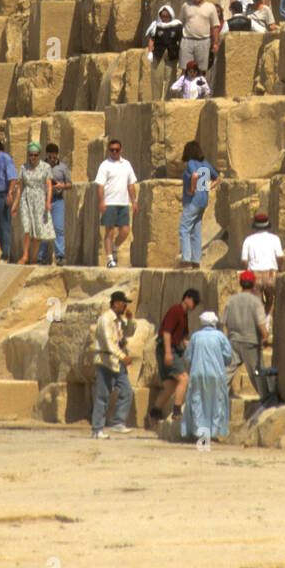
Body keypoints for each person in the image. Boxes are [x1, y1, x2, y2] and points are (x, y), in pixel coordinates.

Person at [147, 288, 201, 427]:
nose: (194, 307)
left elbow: (184, 337)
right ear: (187, 298)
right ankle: (177, 412)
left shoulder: (184, 315)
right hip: (167, 348)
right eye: (194, 302)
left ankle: (154, 412)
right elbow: (166, 332)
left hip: (172, 349)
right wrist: (168, 353)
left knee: (170, 386)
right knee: (184, 378)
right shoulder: (175, 311)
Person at [181, 311, 233, 442]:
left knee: (197, 400)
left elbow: (188, 356)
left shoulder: (195, 336)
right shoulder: (220, 336)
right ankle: (214, 432)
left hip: (197, 372)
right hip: (216, 373)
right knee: (216, 400)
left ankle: (199, 432)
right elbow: (228, 356)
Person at [91, 290, 135, 438]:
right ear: (116, 303)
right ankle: (97, 429)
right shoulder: (106, 319)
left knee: (127, 391)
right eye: (124, 304)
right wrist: (122, 356)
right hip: (106, 361)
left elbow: (128, 334)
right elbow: (109, 343)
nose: (125, 307)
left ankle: (117, 422)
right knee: (102, 395)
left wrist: (130, 321)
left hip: (117, 362)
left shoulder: (118, 320)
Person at [222, 271, 268, 396]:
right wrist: (265, 336)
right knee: (257, 373)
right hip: (251, 342)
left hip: (234, 341)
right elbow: (261, 322)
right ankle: (266, 399)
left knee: (226, 373)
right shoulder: (255, 301)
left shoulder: (231, 301)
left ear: (240, 284)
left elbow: (224, 321)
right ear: (253, 284)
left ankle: (218, 398)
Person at [95, 139, 138, 270]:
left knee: (125, 231)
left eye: (117, 150)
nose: (114, 152)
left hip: (123, 202)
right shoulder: (105, 165)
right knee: (110, 231)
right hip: (109, 202)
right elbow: (100, 186)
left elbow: (131, 184)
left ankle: (114, 247)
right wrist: (102, 201)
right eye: (112, 150)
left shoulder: (126, 164)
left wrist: (134, 201)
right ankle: (109, 259)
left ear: (121, 150)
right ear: (109, 151)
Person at [178, 140, 219, 269]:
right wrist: (208, 187)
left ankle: (186, 260)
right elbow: (218, 177)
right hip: (203, 200)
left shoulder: (191, 163)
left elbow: (194, 176)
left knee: (184, 229)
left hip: (193, 200)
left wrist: (191, 189)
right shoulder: (205, 164)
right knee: (196, 230)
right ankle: (196, 261)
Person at [13, 141, 54, 265]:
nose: (33, 157)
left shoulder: (46, 167)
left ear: (39, 155)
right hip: (26, 198)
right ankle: (25, 255)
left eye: (35, 155)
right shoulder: (23, 167)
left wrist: (48, 201)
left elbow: (49, 185)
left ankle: (34, 258)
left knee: (37, 230)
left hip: (40, 199)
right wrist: (15, 204)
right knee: (27, 229)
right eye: (31, 155)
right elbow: (20, 187)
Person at [241, 213, 285, 318]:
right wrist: (280, 269)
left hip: (255, 274)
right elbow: (280, 256)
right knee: (271, 299)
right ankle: (268, 320)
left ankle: (260, 323)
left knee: (257, 301)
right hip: (271, 273)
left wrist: (248, 270)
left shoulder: (248, 240)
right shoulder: (274, 238)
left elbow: (244, 259)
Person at [179, 0, 221, 73]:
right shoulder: (186, 6)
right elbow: (180, 23)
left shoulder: (210, 7)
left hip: (203, 41)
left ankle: (199, 87)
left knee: (201, 70)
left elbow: (215, 26)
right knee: (185, 69)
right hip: (187, 40)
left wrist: (215, 43)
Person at [144, 3, 183, 101]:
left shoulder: (177, 26)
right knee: (157, 78)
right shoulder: (156, 25)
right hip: (158, 55)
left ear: (171, 16)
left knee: (170, 78)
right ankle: (156, 101)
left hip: (172, 55)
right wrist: (150, 52)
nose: (164, 18)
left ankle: (169, 99)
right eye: (163, 16)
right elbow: (151, 39)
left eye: (167, 16)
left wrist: (182, 54)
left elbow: (181, 40)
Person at [44, 142, 72, 267]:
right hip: (43, 200)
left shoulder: (63, 167)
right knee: (43, 229)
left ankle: (60, 256)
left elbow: (70, 184)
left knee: (58, 229)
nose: (52, 160)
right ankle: (42, 257)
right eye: (49, 157)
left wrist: (62, 186)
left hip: (58, 200)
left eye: (54, 157)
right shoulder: (41, 166)